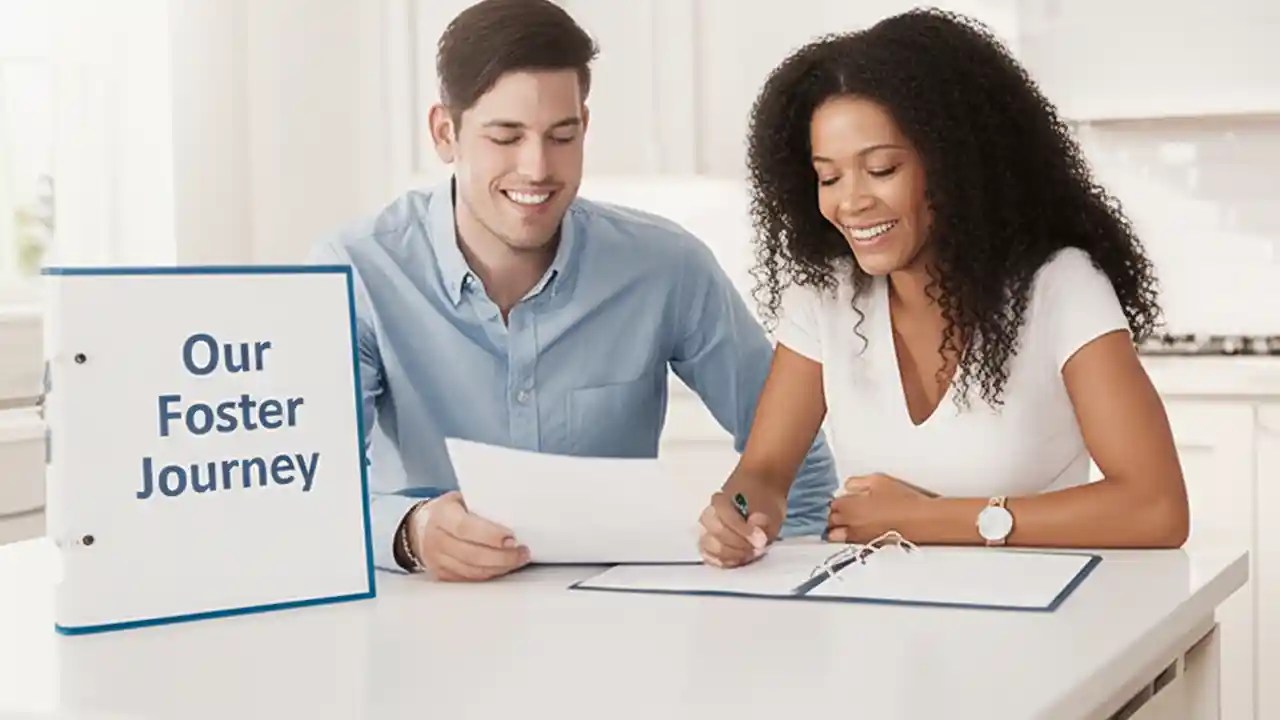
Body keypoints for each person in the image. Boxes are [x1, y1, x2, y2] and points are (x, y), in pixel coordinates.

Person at [309, 0, 837, 581]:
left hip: (618, 618)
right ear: (445, 133)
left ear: (585, 126)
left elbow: (796, 457)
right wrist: (409, 533)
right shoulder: (356, 270)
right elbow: (308, 487)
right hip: (424, 616)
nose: (536, 168)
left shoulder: (666, 268)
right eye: (505, 137)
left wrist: (789, 578)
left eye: (561, 136)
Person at [698, 8, 1190, 568]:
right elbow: (763, 474)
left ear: (954, 162)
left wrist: (921, 519)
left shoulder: (1059, 285)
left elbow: (1156, 508)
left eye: (881, 169)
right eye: (828, 177)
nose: (851, 201)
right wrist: (739, 510)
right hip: (889, 621)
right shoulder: (824, 297)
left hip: (1038, 622)